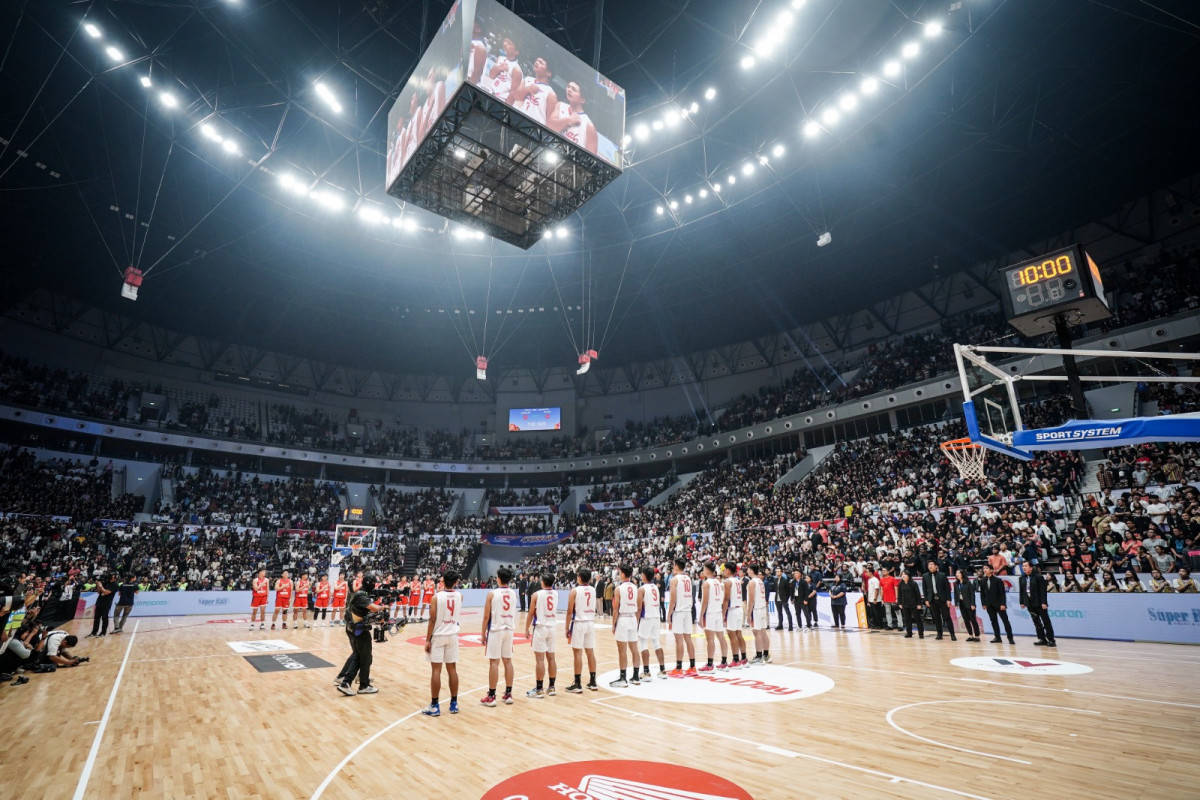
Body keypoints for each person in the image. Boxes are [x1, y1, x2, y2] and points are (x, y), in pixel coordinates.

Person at [422, 570, 462, 716]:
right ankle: (454, 703)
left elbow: (432, 620)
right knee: (452, 669)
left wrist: (427, 639)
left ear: (443, 581)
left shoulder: (436, 597)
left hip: (438, 635)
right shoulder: (459, 595)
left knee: (436, 670)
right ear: (456, 582)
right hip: (453, 635)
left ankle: (434, 705)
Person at [335, 573, 383, 696]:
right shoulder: (361, 596)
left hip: (354, 628)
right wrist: (384, 606)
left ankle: (353, 681)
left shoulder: (360, 594)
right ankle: (358, 684)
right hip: (359, 630)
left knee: (359, 656)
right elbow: (374, 608)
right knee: (364, 656)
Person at [480, 567, 518, 706]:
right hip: (509, 630)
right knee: (508, 661)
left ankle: (491, 696)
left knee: (494, 663)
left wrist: (482, 634)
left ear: (498, 578)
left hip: (496, 630)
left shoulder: (492, 594)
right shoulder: (514, 593)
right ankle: (508, 694)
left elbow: (486, 616)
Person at [564, 568, 598, 693]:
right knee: (590, 652)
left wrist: (566, 627)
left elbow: (569, 611)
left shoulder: (575, 591)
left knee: (577, 653)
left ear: (579, 577)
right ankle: (593, 681)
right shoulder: (593, 589)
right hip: (590, 622)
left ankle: (577, 683)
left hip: (579, 623)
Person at [524, 573, 558, 698]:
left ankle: (539, 689)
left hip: (541, 627)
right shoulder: (556, 593)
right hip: (552, 628)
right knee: (552, 658)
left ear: (543, 582)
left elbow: (531, 613)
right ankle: (552, 687)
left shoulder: (536, 595)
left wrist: (526, 628)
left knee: (540, 660)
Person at [609, 564, 642, 687]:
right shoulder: (636, 588)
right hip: (633, 618)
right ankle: (636, 676)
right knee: (634, 648)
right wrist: (636, 621)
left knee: (622, 650)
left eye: (619, 573)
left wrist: (613, 624)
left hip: (623, 619)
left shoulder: (618, 589)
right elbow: (639, 608)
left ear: (623, 574)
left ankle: (623, 678)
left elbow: (616, 609)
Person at [634, 567, 667, 681]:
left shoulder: (641, 589)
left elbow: (638, 608)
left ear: (644, 576)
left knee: (643, 643)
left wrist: (636, 622)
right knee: (656, 642)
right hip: (656, 617)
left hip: (646, 618)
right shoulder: (655, 588)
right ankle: (662, 670)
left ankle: (646, 672)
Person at [666, 558, 696, 676]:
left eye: (674, 565)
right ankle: (692, 667)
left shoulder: (674, 580)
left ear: (677, 566)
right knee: (688, 639)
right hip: (688, 611)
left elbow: (672, 599)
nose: (673, 567)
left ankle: (678, 668)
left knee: (679, 640)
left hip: (679, 612)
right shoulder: (688, 578)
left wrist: (669, 614)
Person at [698, 562, 728, 671]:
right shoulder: (719, 582)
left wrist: (700, 615)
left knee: (710, 639)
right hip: (718, 611)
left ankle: (710, 664)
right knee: (721, 637)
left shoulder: (707, 583)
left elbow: (704, 601)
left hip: (710, 613)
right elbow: (722, 598)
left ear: (707, 570)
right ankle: (724, 662)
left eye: (703, 568)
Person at [1019, 562, 1056, 647]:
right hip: (1029, 603)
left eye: (1025, 566)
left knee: (1046, 622)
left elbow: (1043, 591)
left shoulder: (1039, 577)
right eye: (1023, 566)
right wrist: (1022, 602)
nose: (1024, 568)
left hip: (1039, 603)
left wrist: (1044, 602)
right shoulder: (1021, 578)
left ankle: (1051, 640)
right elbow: (1022, 591)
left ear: (1031, 568)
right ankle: (1042, 639)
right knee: (1036, 622)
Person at [922, 561, 956, 641]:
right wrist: (926, 600)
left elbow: (947, 588)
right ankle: (939, 634)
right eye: (929, 565)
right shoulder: (925, 576)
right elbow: (924, 589)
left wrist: (948, 599)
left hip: (943, 599)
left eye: (932, 564)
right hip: (932, 599)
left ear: (936, 566)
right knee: (936, 618)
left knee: (947, 617)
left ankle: (952, 634)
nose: (930, 566)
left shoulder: (942, 575)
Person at [980, 565, 1014, 644]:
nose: (985, 570)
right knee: (993, 621)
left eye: (987, 568)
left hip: (999, 604)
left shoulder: (998, 580)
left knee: (1005, 621)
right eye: (984, 568)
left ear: (991, 570)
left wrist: (1003, 604)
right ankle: (997, 637)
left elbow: (1002, 593)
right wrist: (983, 603)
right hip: (989, 605)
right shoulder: (983, 580)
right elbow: (982, 594)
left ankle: (1010, 638)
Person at [722, 562, 747, 669]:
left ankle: (736, 659)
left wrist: (723, 614)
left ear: (728, 570)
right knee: (739, 634)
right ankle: (744, 658)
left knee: (732, 635)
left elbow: (726, 599)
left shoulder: (728, 582)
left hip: (732, 610)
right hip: (739, 608)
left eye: (724, 569)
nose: (723, 571)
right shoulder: (737, 580)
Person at [746, 564, 771, 662]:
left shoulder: (752, 582)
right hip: (762, 608)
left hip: (756, 609)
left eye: (748, 569)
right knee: (763, 632)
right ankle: (766, 654)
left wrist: (748, 613)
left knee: (757, 633)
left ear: (752, 570)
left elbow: (751, 599)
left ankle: (759, 656)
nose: (747, 571)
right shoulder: (760, 581)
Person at [954, 568, 981, 642]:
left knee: (973, 620)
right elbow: (956, 594)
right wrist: (956, 603)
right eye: (956, 573)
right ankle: (970, 635)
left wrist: (973, 604)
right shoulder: (956, 583)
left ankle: (977, 636)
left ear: (962, 574)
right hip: (962, 604)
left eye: (958, 573)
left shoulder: (968, 583)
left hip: (969, 604)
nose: (957, 574)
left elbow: (972, 594)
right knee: (966, 620)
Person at [897, 571, 924, 638]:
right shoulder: (900, 584)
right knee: (907, 619)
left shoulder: (913, 583)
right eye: (902, 574)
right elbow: (899, 594)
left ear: (908, 575)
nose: (903, 576)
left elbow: (918, 594)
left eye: (905, 574)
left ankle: (921, 633)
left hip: (914, 604)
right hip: (905, 604)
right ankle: (909, 633)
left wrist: (919, 604)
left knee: (918, 619)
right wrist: (899, 603)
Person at [88, 573, 115, 638]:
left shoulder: (115, 585)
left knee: (104, 618)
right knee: (96, 618)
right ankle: (94, 632)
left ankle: (103, 633)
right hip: (99, 602)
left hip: (106, 603)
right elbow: (98, 592)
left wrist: (100, 586)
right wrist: (98, 585)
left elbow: (106, 592)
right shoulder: (105, 583)